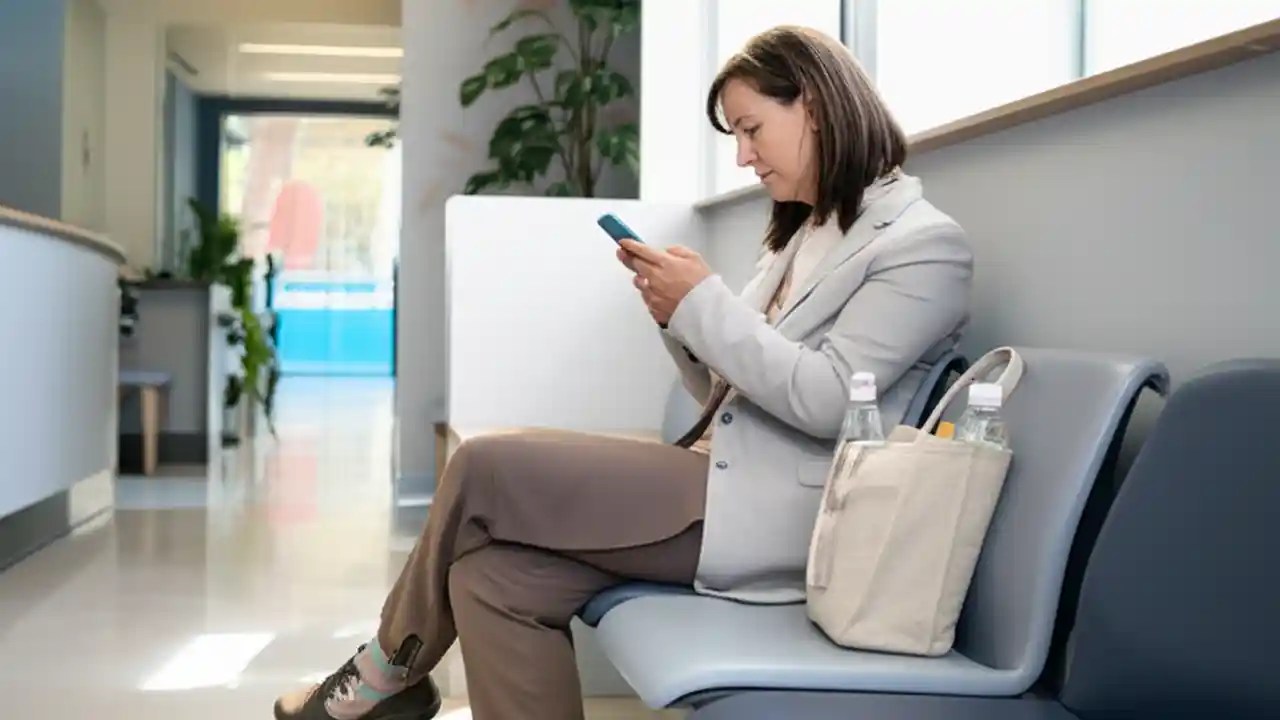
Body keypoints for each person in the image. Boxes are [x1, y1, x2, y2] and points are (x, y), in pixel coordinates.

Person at [273, 24, 972, 720]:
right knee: (491, 578)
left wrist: (702, 306)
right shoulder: (806, 233)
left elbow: (824, 400)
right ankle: (391, 676)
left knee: (484, 465)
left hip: (783, 514)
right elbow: (728, 391)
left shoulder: (922, 247)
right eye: (736, 135)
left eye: (752, 129)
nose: (743, 156)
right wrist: (677, 318)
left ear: (815, 106)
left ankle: (384, 673)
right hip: (719, 483)